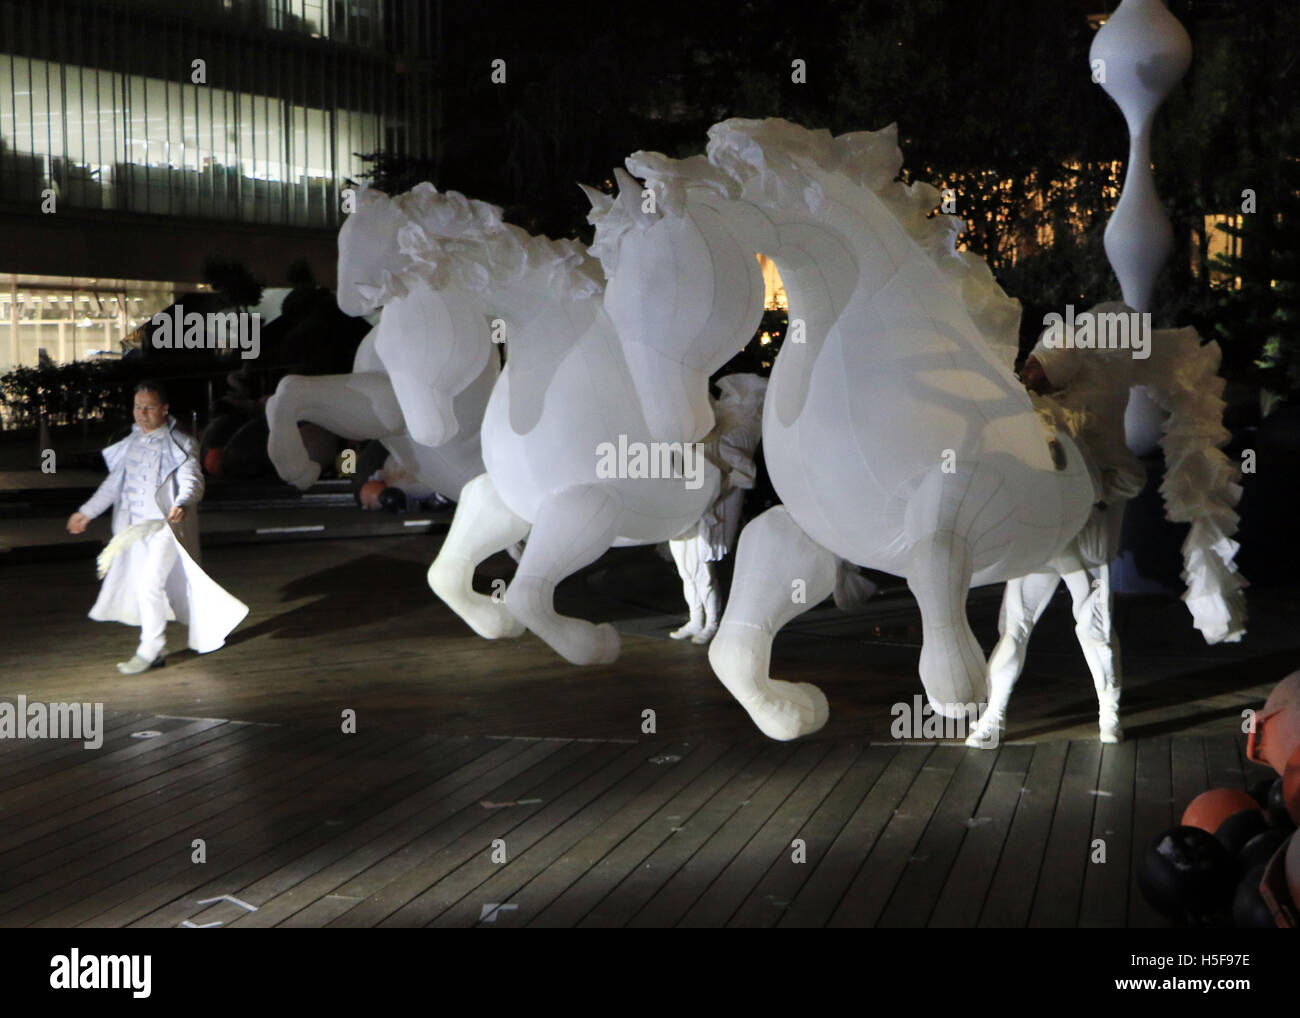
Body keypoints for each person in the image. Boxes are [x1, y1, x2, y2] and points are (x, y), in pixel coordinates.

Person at [67, 381, 248, 673]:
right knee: (145, 586)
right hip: (133, 530)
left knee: (149, 584)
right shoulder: (130, 443)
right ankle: (159, 646)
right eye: (138, 407)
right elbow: (113, 486)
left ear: (164, 409)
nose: (142, 413)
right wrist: (86, 512)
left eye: (149, 407)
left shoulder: (181, 443)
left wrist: (184, 502)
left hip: (165, 527)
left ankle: (151, 647)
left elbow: (192, 479)